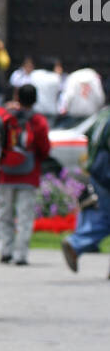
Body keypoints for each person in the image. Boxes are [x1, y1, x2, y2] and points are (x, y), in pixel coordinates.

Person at [0, 83, 51, 266]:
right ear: (35, 99)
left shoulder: (7, 116)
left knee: (4, 213)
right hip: (29, 173)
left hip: (6, 172)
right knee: (25, 215)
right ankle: (20, 254)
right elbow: (44, 148)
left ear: (17, 97)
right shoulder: (38, 121)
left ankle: (5, 249)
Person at [61, 103, 110, 275]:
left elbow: (88, 136)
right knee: (106, 218)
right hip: (107, 172)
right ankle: (77, 243)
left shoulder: (103, 114)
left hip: (97, 170)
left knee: (105, 214)